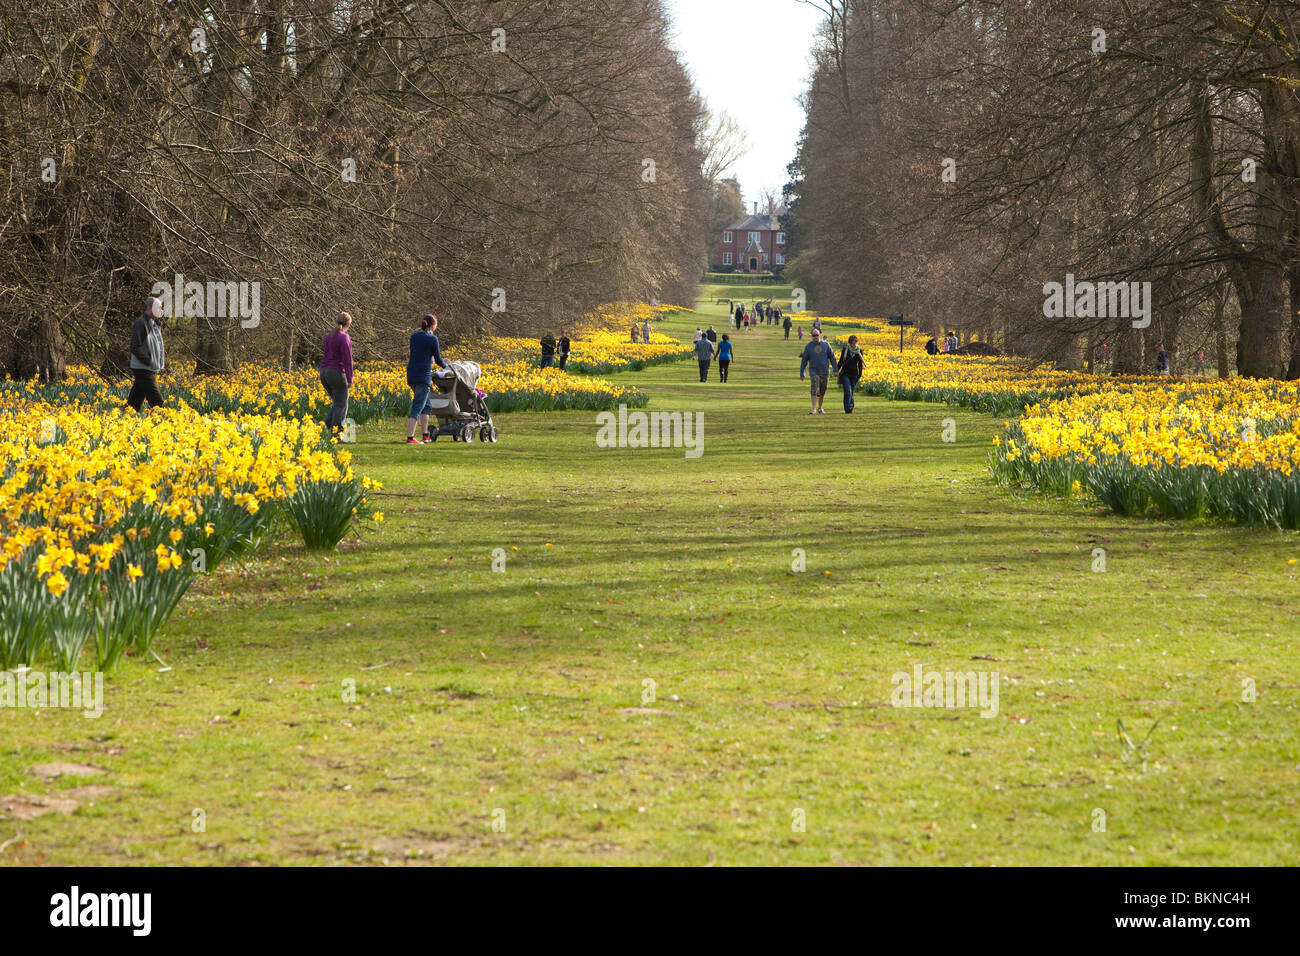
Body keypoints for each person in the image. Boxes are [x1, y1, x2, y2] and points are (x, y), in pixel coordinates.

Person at [406, 313, 451, 443]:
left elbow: (422, 355)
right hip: (423, 376)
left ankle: (426, 435)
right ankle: (410, 437)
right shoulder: (432, 339)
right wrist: (446, 365)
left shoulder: (414, 337)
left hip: (412, 375)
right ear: (433, 325)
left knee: (426, 406)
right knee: (418, 405)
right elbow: (437, 360)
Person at [127, 295, 167, 415]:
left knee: (134, 401)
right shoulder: (141, 323)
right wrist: (149, 361)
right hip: (143, 368)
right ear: (149, 308)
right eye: (158, 307)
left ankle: (123, 418)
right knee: (157, 402)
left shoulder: (155, 325)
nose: (160, 310)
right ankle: (164, 422)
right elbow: (135, 347)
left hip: (147, 367)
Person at [320, 311, 354, 435]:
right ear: (348, 324)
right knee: (341, 405)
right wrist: (350, 379)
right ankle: (337, 434)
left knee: (337, 404)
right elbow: (347, 360)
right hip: (336, 373)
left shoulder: (328, 336)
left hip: (324, 373)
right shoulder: (344, 337)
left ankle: (321, 429)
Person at [799, 327, 837, 415]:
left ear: (820, 334)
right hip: (814, 370)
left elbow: (832, 357)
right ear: (811, 336)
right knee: (814, 388)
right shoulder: (808, 346)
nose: (815, 337)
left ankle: (820, 408)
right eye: (813, 335)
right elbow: (804, 360)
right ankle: (813, 409)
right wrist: (802, 373)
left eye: (817, 335)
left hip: (824, 371)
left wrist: (835, 369)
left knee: (822, 390)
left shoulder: (826, 345)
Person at [837, 334, 865, 414]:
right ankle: (847, 407)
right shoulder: (845, 349)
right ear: (849, 343)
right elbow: (841, 361)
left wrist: (860, 374)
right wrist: (836, 370)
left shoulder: (859, 351)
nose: (854, 345)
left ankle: (851, 407)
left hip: (854, 374)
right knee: (848, 390)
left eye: (855, 343)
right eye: (852, 343)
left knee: (851, 391)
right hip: (845, 373)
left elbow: (860, 364)